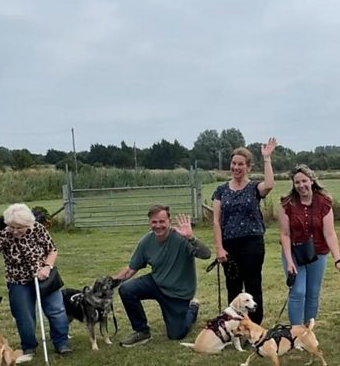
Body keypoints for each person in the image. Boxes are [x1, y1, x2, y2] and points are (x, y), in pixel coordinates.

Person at [0, 203, 71, 360]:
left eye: (19, 227)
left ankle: (61, 343)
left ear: (28, 223)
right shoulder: (2, 234)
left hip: (44, 277)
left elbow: (52, 250)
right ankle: (29, 347)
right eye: (12, 226)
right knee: (24, 316)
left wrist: (47, 267)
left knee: (56, 310)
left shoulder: (38, 229)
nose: (15, 231)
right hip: (18, 281)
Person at [114, 205, 212, 346]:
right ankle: (142, 332)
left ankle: (193, 308)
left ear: (169, 221)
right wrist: (110, 282)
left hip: (178, 293)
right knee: (126, 289)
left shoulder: (182, 239)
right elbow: (130, 269)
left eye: (162, 221)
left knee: (176, 335)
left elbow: (206, 255)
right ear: (149, 223)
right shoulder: (146, 242)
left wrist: (191, 238)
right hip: (156, 282)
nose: (158, 226)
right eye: (154, 222)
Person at [211, 139, 276, 324]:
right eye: (234, 163)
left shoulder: (255, 187)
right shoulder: (221, 191)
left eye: (241, 164)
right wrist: (219, 249)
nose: (236, 167)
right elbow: (216, 221)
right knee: (233, 287)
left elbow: (269, 185)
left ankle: (254, 326)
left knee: (253, 285)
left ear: (248, 167)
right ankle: (235, 326)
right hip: (229, 244)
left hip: (252, 243)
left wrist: (267, 158)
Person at [278, 164, 340, 327]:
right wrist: (289, 262)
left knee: (313, 293)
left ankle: (308, 329)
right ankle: (296, 331)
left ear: (312, 181)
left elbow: (329, 233)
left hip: (318, 252)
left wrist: (338, 259)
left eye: (304, 181)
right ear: (293, 185)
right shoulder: (287, 203)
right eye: (297, 182)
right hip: (294, 252)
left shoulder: (324, 202)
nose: (301, 186)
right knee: (298, 291)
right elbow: (285, 234)